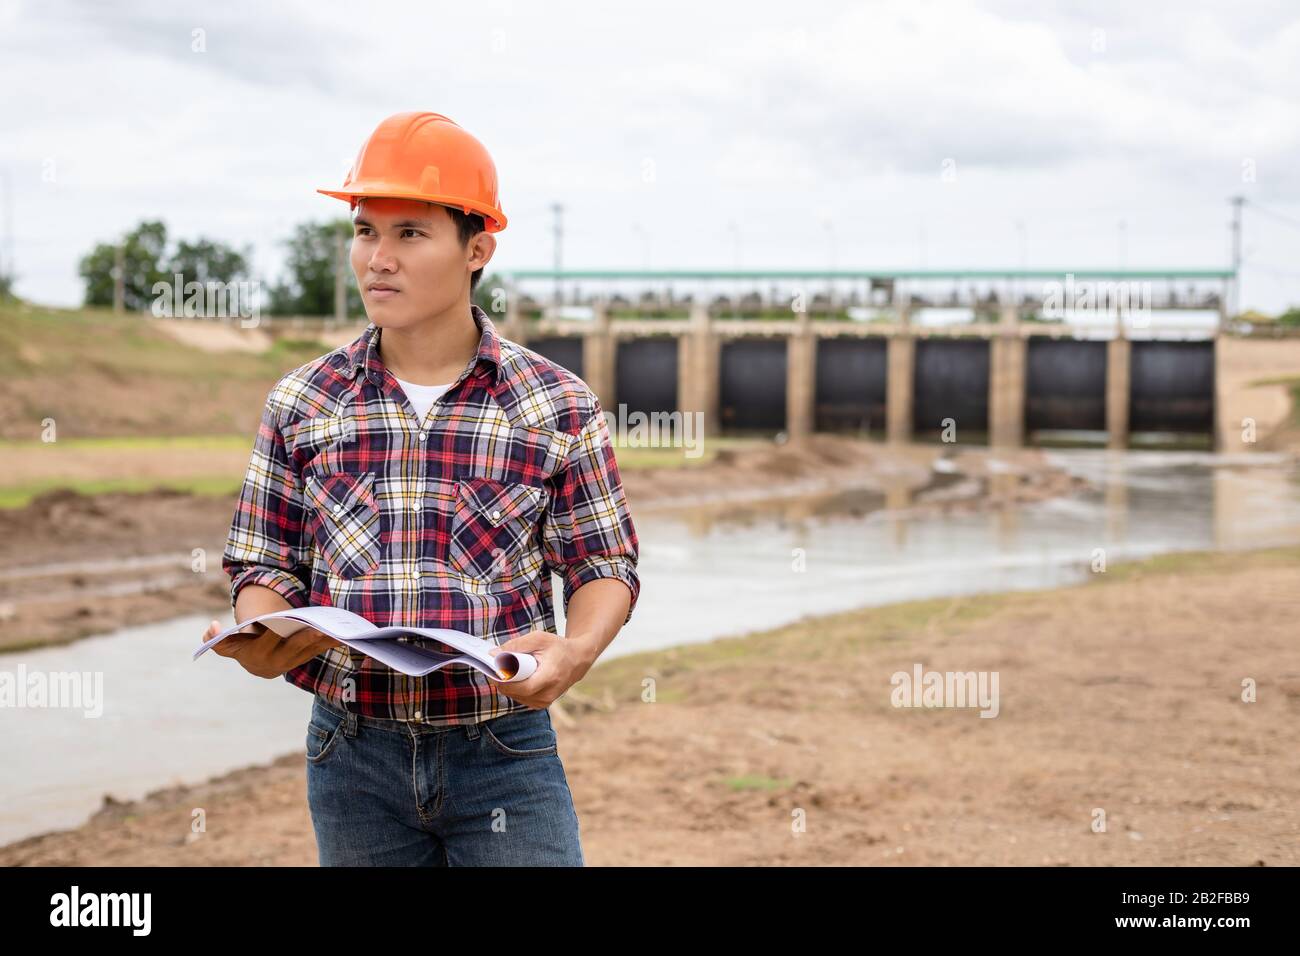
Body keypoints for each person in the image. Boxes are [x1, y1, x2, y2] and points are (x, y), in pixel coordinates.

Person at [202, 111, 640, 866]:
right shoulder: (303, 402)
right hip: (350, 753)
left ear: (478, 249)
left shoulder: (555, 404)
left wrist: (577, 650)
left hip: (503, 748)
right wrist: (261, 632)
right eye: (366, 230)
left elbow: (603, 564)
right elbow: (262, 564)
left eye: (410, 233)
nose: (379, 257)